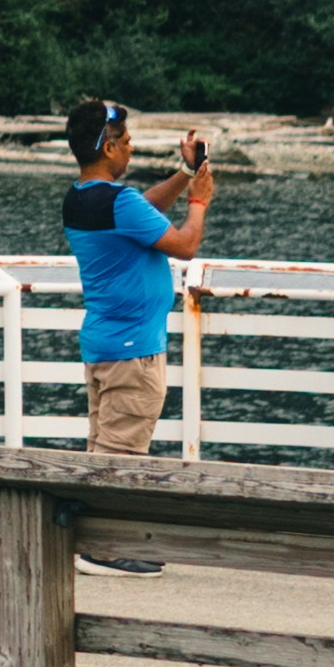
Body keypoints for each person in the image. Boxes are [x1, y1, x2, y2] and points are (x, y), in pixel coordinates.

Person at [53, 97, 212, 467]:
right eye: (125, 142)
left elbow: (143, 209)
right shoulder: (119, 204)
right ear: (108, 149)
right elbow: (186, 246)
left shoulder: (78, 199)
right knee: (116, 467)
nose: (131, 148)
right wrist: (198, 201)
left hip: (103, 347)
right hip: (133, 355)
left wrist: (186, 174)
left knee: (99, 456)